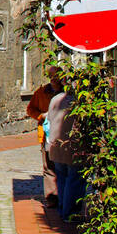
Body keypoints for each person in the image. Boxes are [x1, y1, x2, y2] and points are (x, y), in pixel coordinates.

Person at [46, 78, 85, 223]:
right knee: (74, 180)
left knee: (62, 179)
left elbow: (49, 119)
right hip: (73, 148)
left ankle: (63, 209)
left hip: (56, 146)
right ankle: (70, 213)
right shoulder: (78, 102)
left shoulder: (55, 99)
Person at [26, 66, 63, 207]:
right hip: (46, 134)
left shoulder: (67, 93)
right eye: (52, 76)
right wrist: (40, 116)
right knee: (49, 167)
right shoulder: (41, 92)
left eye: (57, 76)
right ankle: (52, 198)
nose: (54, 79)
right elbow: (30, 109)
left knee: (62, 167)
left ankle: (63, 196)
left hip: (63, 134)